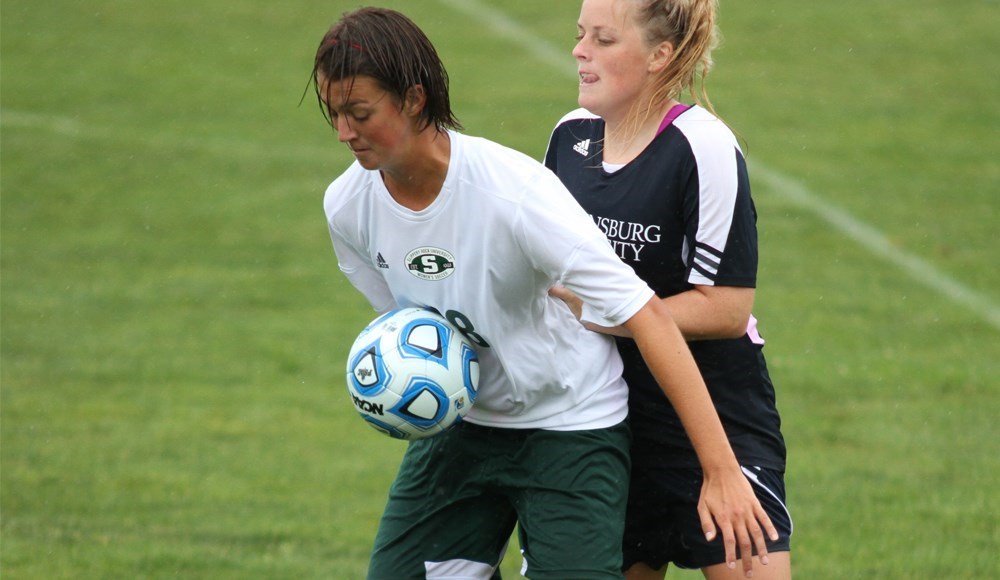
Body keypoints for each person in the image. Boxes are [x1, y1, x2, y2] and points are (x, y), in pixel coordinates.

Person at [311, 7, 777, 579]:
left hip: (582, 420)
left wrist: (721, 468)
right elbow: (412, 328)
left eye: (359, 113)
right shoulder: (348, 207)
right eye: (333, 114)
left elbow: (662, 314)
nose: (343, 133)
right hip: (473, 425)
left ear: (412, 99)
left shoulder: (515, 193)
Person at [543, 0, 793, 578]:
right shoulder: (569, 139)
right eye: (581, 35)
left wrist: (606, 315)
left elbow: (727, 307)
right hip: (606, 416)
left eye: (603, 40)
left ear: (660, 55)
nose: (580, 51)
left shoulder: (700, 146)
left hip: (714, 417)